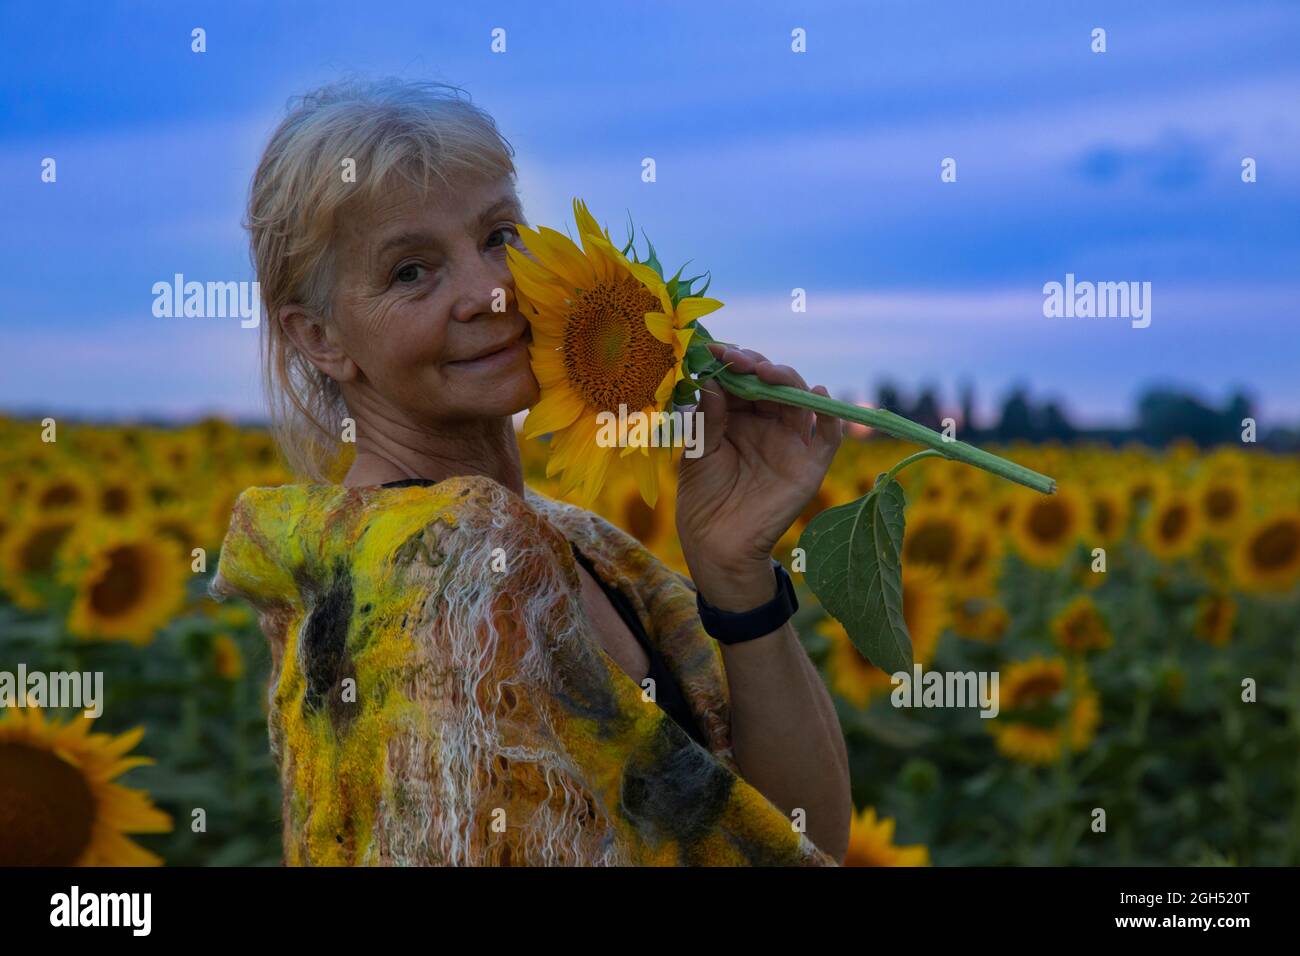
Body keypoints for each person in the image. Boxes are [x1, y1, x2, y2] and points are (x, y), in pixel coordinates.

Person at [226, 77, 850, 864]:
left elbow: (804, 838)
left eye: (498, 237)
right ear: (319, 336)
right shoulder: (425, 592)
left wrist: (737, 578)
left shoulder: (571, 541)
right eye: (412, 272)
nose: (490, 291)